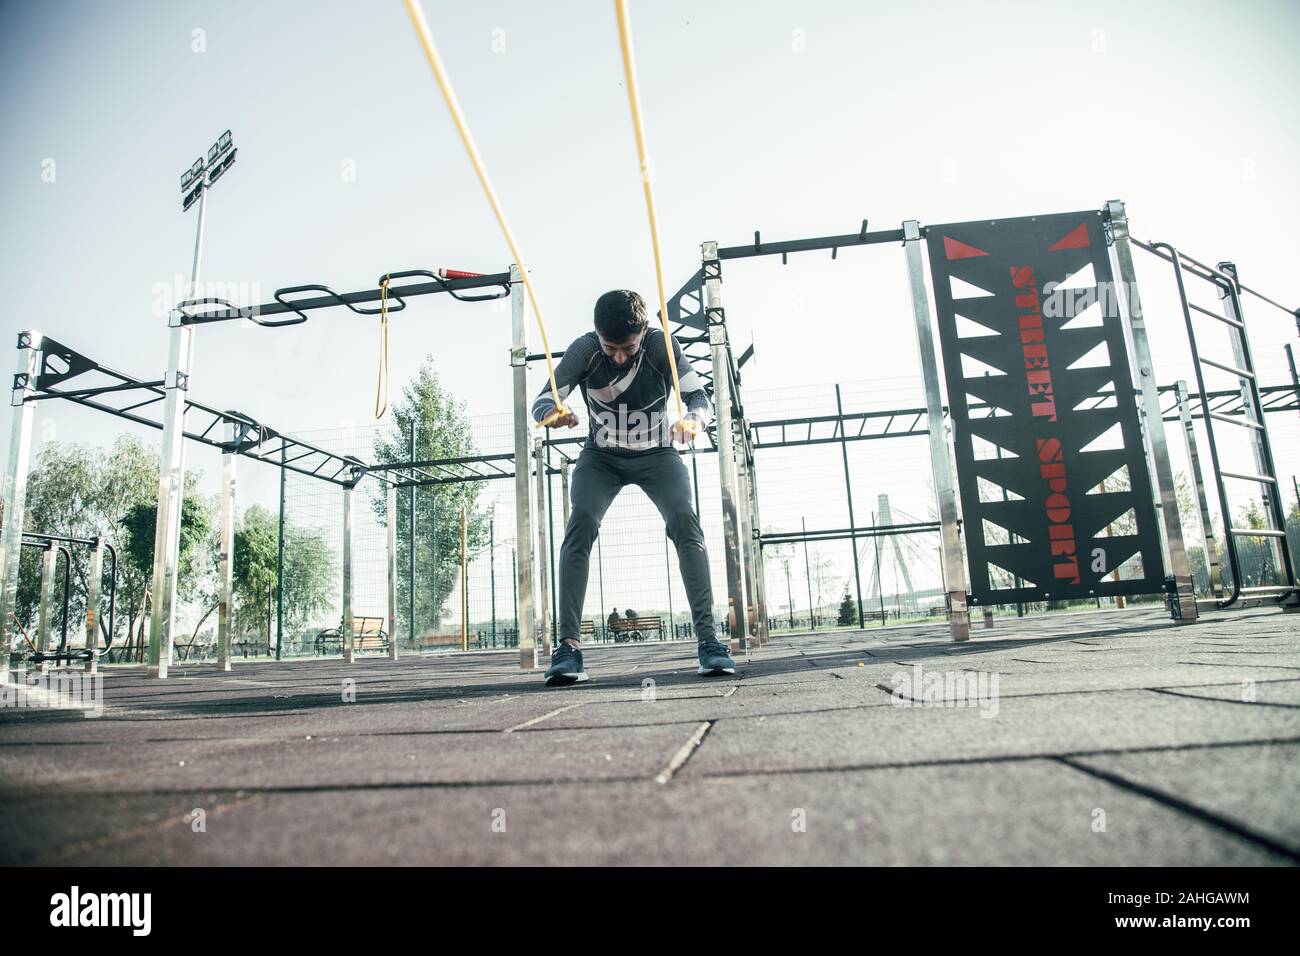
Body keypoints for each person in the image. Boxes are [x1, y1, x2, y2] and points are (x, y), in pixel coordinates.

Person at [534, 289, 736, 686]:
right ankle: (568, 648)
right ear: (598, 334)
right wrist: (552, 414)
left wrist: (694, 420)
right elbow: (541, 401)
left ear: (642, 331)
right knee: (582, 522)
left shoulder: (661, 345)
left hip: (658, 455)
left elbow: (700, 397)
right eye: (611, 348)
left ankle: (710, 642)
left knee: (684, 520)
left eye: (627, 348)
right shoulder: (585, 350)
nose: (619, 357)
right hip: (602, 458)